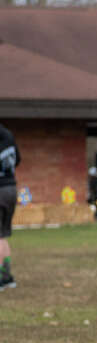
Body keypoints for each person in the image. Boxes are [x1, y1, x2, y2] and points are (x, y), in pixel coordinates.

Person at [0, 123, 20, 290]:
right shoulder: (8, 134)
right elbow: (17, 160)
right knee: (2, 236)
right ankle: (7, 277)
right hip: (11, 188)